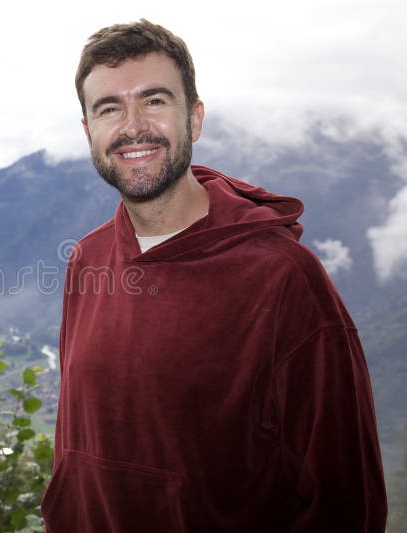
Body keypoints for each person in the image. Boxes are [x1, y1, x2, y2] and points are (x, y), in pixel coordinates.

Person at [40, 19, 387, 532]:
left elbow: (346, 501)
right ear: (89, 131)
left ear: (195, 119)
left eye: (155, 101)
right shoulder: (87, 260)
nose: (132, 126)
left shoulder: (283, 277)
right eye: (109, 108)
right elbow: (75, 444)